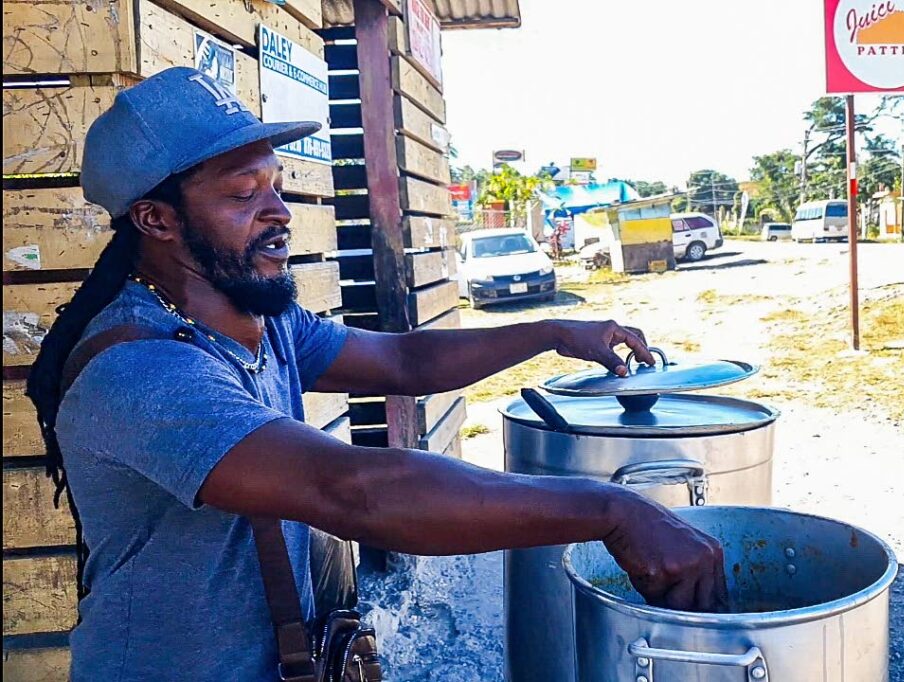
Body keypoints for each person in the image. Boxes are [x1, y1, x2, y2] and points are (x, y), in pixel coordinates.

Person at [27, 67, 725, 681]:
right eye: (245, 195)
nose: (279, 215)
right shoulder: (141, 370)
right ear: (156, 219)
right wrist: (611, 508)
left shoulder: (256, 318)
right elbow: (354, 491)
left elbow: (402, 361)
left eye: (276, 186)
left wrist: (553, 331)